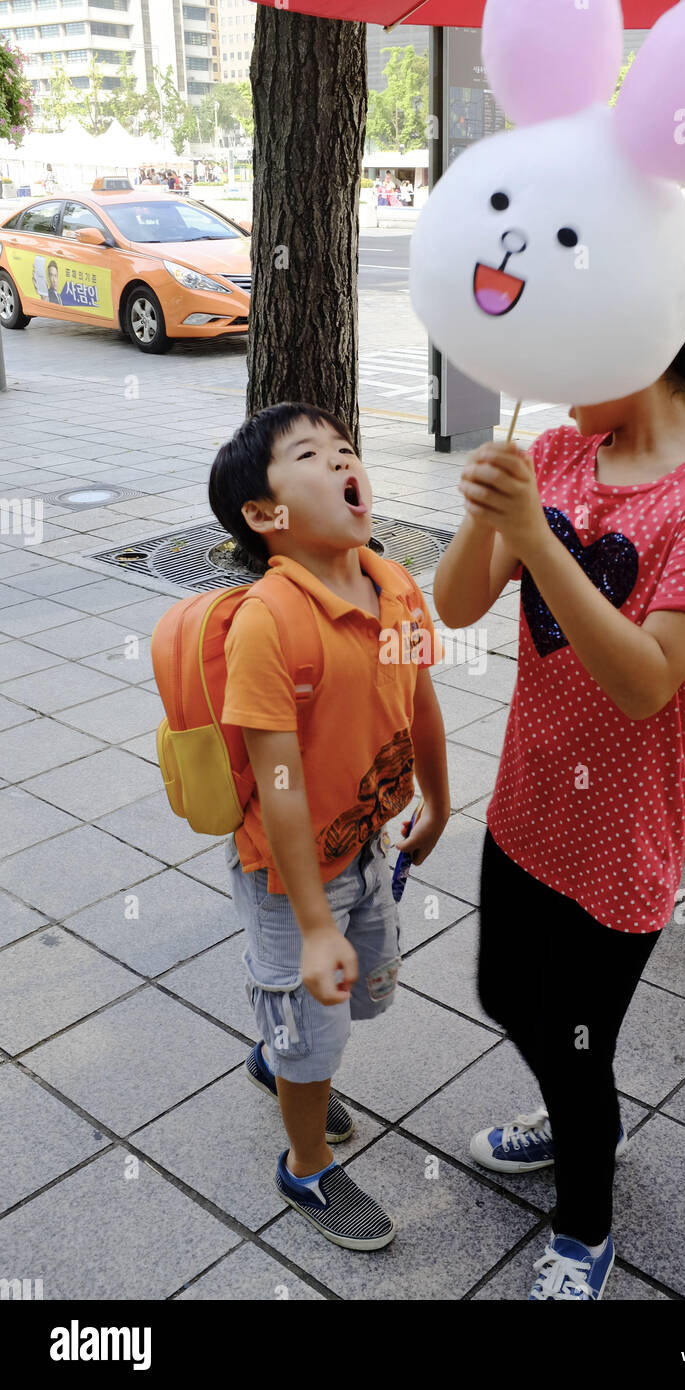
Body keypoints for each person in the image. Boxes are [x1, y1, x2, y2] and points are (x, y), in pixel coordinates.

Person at [434, 287, 685, 1301]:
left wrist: (536, 539)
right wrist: (486, 516)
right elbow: (452, 604)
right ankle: (589, 1123)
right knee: (503, 991)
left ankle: (583, 1228)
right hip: (527, 798)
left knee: (579, 1042)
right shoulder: (555, 460)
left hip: (622, 829)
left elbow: (643, 682)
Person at [208, 402, 450, 1251]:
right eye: (311, 454)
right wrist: (312, 924)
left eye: (347, 447)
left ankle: (278, 1057)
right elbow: (277, 781)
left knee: (368, 989)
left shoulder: (392, 584)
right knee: (313, 1023)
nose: (344, 459)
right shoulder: (269, 621)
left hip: (366, 844)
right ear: (266, 515)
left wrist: (441, 799)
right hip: (286, 874)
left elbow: (418, 698)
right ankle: (304, 1165)